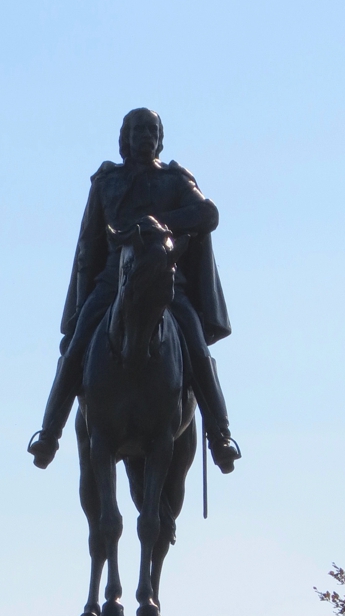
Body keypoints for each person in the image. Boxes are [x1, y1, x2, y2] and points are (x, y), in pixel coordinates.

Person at [28, 108, 241, 473]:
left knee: (195, 344)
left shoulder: (175, 180)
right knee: (78, 346)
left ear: (160, 138)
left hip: (166, 282)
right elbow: (88, 248)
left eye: (151, 129)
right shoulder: (106, 183)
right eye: (137, 129)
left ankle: (220, 435)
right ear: (124, 138)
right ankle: (49, 433)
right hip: (113, 282)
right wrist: (81, 304)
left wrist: (157, 226)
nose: (145, 135)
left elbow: (209, 214)